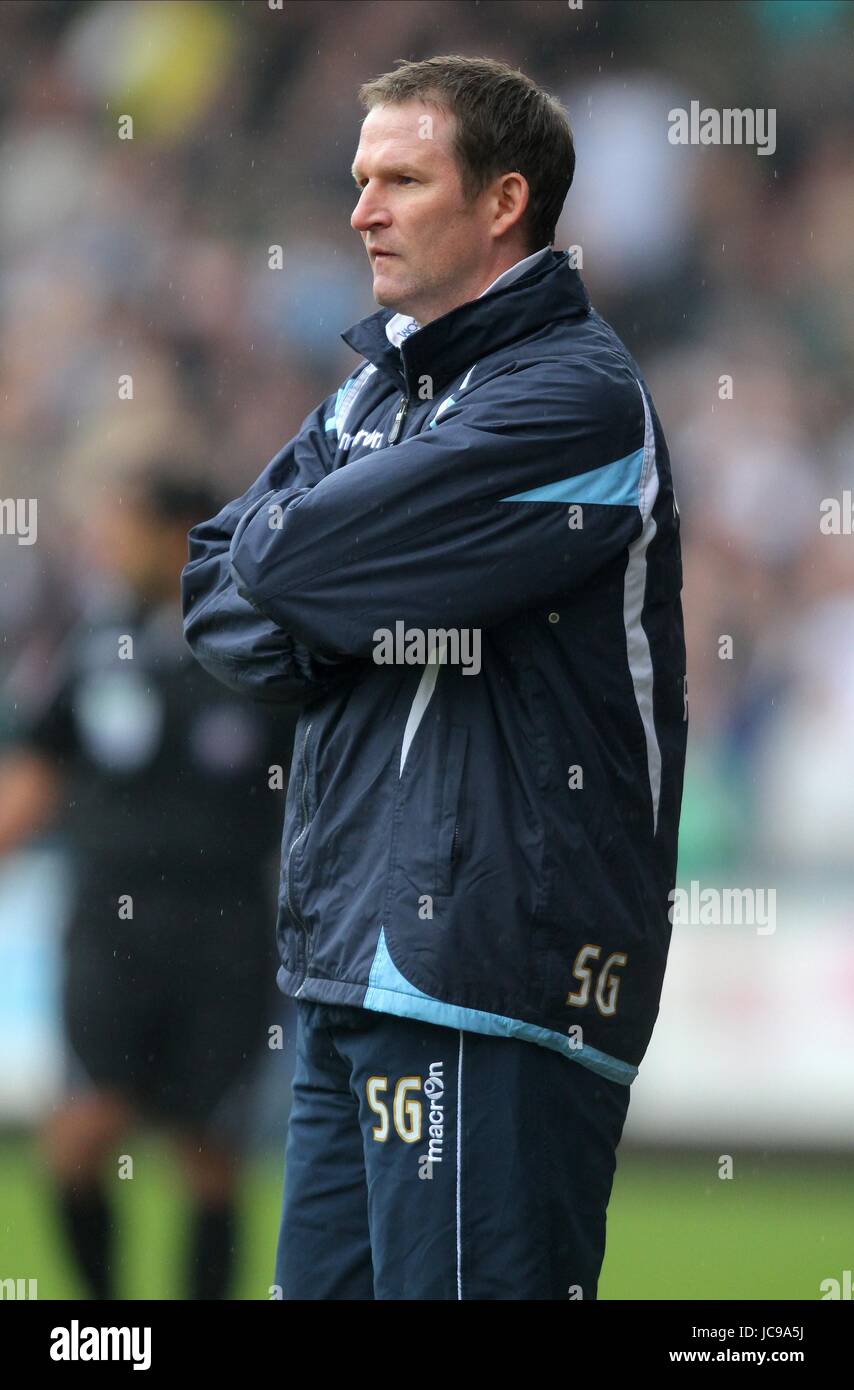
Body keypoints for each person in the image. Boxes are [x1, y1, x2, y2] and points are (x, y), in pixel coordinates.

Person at [181, 54, 688, 1300]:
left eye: (399, 179)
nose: (359, 210)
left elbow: (288, 555)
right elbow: (214, 594)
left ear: (503, 200)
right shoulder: (373, 389)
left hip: (487, 970)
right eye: (360, 180)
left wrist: (309, 569)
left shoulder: (574, 398)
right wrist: (327, 584)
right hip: (348, 953)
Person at [0, 465, 297, 1300]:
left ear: (182, 535)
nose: (109, 545)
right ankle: (104, 1323)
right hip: (108, 927)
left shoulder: (258, 644)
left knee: (210, 1152)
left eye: (126, 528)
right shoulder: (93, 645)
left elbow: (311, 789)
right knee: (80, 1135)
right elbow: (37, 771)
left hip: (226, 929)